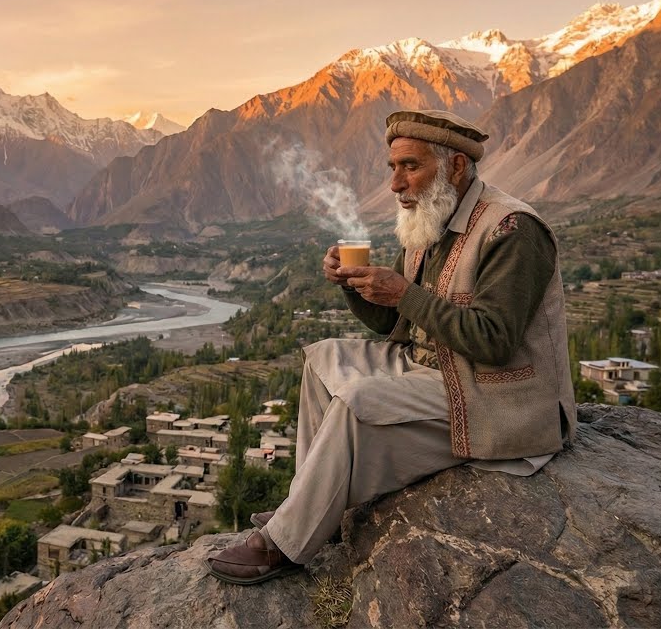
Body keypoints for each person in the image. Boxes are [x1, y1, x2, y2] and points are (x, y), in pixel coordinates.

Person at [206, 109, 577, 585]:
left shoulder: (512, 230)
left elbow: (496, 342)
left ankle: (287, 541)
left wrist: (403, 292)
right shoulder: (428, 220)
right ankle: (313, 505)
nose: (396, 184)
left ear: (456, 167)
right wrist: (353, 285)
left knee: (358, 401)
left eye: (410, 167)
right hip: (430, 366)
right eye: (392, 168)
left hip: (493, 389)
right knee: (324, 357)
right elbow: (392, 322)